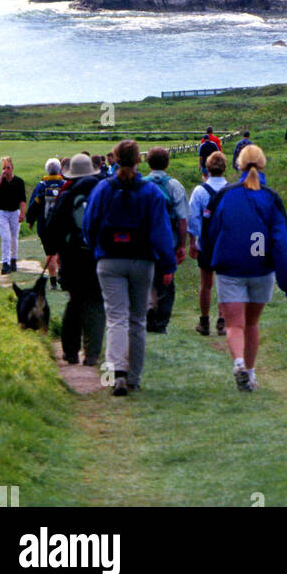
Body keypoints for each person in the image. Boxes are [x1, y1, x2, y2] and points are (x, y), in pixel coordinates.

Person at [200, 144, 287, 392]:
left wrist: (207, 260)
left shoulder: (224, 196)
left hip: (229, 268)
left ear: (238, 165)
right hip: (260, 269)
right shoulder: (270, 198)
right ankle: (251, 374)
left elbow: (209, 233)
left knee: (234, 324)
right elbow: (282, 242)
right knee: (252, 324)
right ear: (263, 165)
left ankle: (239, 363)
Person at [83, 140, 176, 396]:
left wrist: (96, 248)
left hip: (109, 260)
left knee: (116, 318)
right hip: (142, 260)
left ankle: (117, 374)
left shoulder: (103, 188)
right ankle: (133, 377)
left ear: (114, 158)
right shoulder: (150, 192)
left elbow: (89, 225)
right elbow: (161, 232)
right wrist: (167, 264)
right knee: (137, 319)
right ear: (138, 160)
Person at [46, 153, 105, 368]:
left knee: (75, 302)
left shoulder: (67, 194)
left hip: (72, 258)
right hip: (97, 256)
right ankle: (92, 354)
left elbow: (53, 228)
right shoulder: (102, 192)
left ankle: (71, 352)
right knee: (96, 303)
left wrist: (54, 250)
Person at [143, 148, 189, 333]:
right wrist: (182, 245)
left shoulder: (142, 184)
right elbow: (182, 219)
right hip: (168, 240)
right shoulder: (174, 186)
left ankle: (148, 311)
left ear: (148, 162)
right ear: (167, 163)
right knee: (166, 282)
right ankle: (161, 322)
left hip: (145, 241)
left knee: (146, 279)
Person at [187, 151, 229, 338]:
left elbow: (193, 219)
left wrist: (192, 242)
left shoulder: (199, 191)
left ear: (207, 169)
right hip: (226, 243)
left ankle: (204, 321)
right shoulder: (231, 190)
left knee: (206, 284)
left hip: (206, 243)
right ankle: (222, 320)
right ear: (224, 168)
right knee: (224, 283)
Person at [26, 158, 66, 289]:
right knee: (60, 251)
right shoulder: (64, 184)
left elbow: (33, 205)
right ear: (59, 169)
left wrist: (30, 220)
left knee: (50, 254)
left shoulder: (41, 185)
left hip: (45, 225)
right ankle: (62, 276)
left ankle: (53, 281)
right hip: (61, 226)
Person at [0, 157, 27, 274]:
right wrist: (1, 177)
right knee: (6, 237)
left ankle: (13, 260)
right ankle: (5, 263)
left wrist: (22, 213)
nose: (6, 170)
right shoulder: (0, 179)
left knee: (14, 238)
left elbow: (23, 199)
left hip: (14, 212)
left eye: (8, 168)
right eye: (4, 168)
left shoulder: (19, 182)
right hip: (1, 213)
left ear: (12, 168)